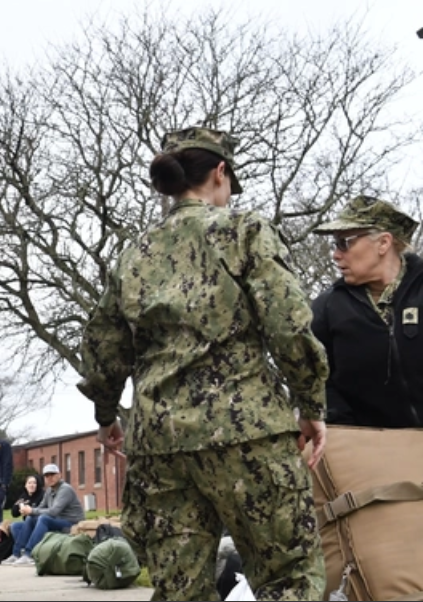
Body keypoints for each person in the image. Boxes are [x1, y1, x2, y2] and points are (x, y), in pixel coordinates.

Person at [76, 126, 329, 600]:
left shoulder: (134, 254)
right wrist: (310, 404)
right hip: (247, 435)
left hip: (160, 445)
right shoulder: (244, 232)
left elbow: (103, 346)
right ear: (220, 172)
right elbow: (290, 326)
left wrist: (107, 415)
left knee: (180, 590)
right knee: (288, 577)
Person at [311, 195, 423, 428]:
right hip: (369, 449)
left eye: (345, 242)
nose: (336, 254)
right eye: (335, 244)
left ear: (383, 243)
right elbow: (318, 382)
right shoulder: (328, 309)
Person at [3, 463, 85, 566]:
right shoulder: (49, 490)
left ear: (59, 475)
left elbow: (54, 511)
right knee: (20, 523)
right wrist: (28, 511)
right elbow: (41, 507)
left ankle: (29, 554)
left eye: (52, 474)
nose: (50, 478)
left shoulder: (65, 489)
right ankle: (17, 553)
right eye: (47, 476)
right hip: (57, 520)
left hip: (71, 523)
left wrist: (32, 511)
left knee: (43, 519)